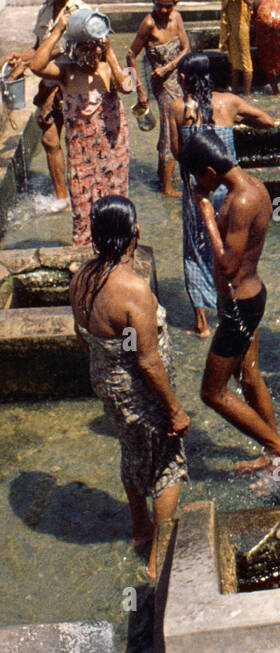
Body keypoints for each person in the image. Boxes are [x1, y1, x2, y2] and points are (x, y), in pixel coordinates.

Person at [69, 196, 189, 579]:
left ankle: (140, 530)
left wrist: (117, 355)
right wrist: (174, 408)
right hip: (140, 392)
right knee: (167, 464)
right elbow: (148, 361)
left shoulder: (82, 277)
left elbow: (86, 333)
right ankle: (159, 555)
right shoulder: (133, 289)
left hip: (107, 383)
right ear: (135, 232)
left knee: (133, 453)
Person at [179, 128, 280, 475]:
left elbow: (228, 264)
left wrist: (205, 212)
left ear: (210, 172)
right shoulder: (252, 186)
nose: (198, 186)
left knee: (212, 393)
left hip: (239, 306)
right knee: (248, 376)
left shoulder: (243, 200)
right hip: (249, 298)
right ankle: (274, 457)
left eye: (198, 179)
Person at [169, 53, 275, 339]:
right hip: (228, 189)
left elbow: (177, 153)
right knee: (232, 250)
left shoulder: (178, 107)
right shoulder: (229, 102)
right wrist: (236, 123)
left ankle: (201, 324)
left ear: (183, 78)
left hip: (199, 187)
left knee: (195, 250)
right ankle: (227, 310)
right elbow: (269, 121)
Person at [20, 6, 132, 246]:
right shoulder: (67, 73)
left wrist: (110, 52)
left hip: (113, 154)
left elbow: (127, 86)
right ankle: (85, 262)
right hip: (81, 159)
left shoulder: (106, 71)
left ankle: (118, 257)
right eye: (83, 48)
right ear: (73, 49)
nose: (89, 55)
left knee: (116, 212)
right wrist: (59, 29)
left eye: (94, 48)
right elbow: (36, 66)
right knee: (84, 213)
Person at [7, 0, 83, 205]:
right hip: (49, 82)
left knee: (77, 142)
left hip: (72, 85)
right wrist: (20, 56)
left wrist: (27, 63)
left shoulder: (80, 14)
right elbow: (40, 47)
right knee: (49, 139)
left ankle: (83, 194)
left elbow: (56, 51)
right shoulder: (45, 9)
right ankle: (62, 199)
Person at [127, 0, 190, 196]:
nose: (163, 11)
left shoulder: (177, 17)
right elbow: (130, 55)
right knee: (169, 130)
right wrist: (139, 89)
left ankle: (162, 174)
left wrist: (169, 67)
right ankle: (167, 187)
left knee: (178, 128)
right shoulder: (148, 23)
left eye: (168, 6)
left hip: (178, 78)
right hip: (161, 84)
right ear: (153, 1)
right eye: (159, 5)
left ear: (175, 4)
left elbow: (186, 48)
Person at [199, 0, 252, 96]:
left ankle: (246, 97)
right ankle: (234, 92)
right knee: (233, 58)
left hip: (241, 18)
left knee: (245, 58)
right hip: (229, 19)